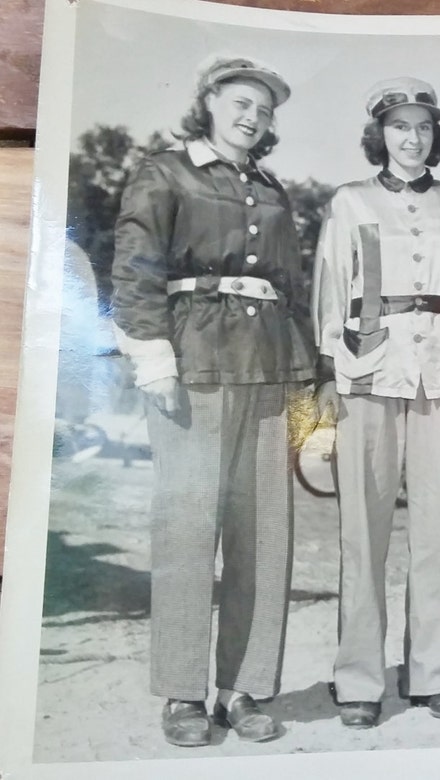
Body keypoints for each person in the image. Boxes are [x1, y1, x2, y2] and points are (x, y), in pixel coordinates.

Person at [111, 56, 314, 746]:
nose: (252, 116)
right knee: (189, 529)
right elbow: (136, 267)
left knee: (264, 535)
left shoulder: (273, 188)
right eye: (240, 102)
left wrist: (308, 378)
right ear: (208, 102)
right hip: (192, 363)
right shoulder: (166, 171)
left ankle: (245, 688)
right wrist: (150, 355)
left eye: (264, 108)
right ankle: (182, 695)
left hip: (269, 369)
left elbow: (292, 285)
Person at [312, 77, 440, 728]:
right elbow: (331, 290)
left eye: (422, 127)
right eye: (398, 126)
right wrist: (336, 364)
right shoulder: (350, 203)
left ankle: (437, 674)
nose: (411, 138)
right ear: (380, 135)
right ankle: (359, 680)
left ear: (436, 135)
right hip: (371, 370)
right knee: (363, 529)